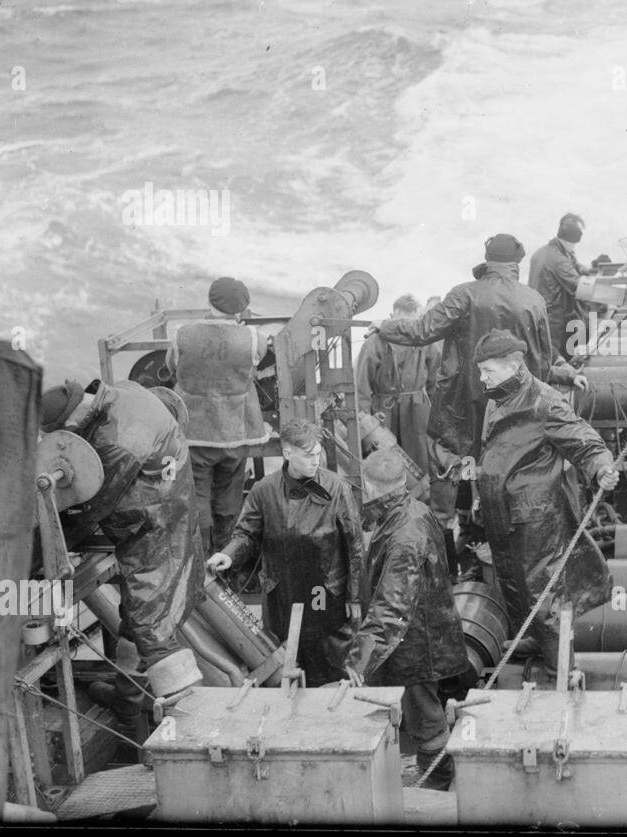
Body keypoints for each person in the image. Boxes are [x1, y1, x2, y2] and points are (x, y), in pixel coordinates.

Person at [42, 378, 204, 731]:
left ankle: (194, 730)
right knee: (133, 618)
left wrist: (46, 541)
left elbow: (91, 509)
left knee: (152, 630)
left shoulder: (115, 445)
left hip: (153, 529)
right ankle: (128, 702)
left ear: (71, 423)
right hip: (172, 507)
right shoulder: (122, 391)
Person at [375, 234, 584, 470]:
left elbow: (423, 330)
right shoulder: (533, 300)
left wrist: (385, 325)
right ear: (515, 264)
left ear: (488, 261)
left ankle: (459, 504)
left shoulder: (464, 294)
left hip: (466, 400)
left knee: (453, 461)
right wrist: (566, 374)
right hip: (517, 402)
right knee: (511, 461)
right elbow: (544, 359)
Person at [473, 330, 620, 662]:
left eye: (488, 370)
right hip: (503, 512)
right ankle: (538, 640)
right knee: (514, 584)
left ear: (513, 364)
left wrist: (601, 468)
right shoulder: (497, 396)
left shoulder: (544, 399)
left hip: (536, 517)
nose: (482, 378)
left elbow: (585, 439)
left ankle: (560, 664)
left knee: (542, 591)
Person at [343, 449, 467, 791]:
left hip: (415, 644)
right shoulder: (413, 511)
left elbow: (391, 606)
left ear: (369, 488)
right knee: (424, 713)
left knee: (426, 719)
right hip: (423, 634)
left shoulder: (404, 534)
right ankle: (433, 776)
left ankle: (437, 786)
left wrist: (358, 662)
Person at [208, 419, 364, 686]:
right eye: (308, 455)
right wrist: (229, 554)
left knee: (328, 664)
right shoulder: (264, 491)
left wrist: (355, 597)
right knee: (283, 662)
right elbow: (246, 533)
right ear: (288, 453)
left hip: (325, 595)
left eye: (318, 454)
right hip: (281, 594)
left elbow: (355, 547)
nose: (316, 461)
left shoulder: (337, 488)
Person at [167, 276, 269, 555]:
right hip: (235, 433)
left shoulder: (182, 334)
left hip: (194, 432)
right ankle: (225, 558)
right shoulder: (253, 339)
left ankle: (200, 560)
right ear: (241, 308)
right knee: (229, 497)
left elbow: (172, 366)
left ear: (209, 301)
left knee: (197, 494)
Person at [355, 294, 439, 478]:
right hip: (387, 413)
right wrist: (364, 423)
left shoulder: (424, 342)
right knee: (385, 459)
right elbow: (362, 387)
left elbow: (435, 381)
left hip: (413, 411)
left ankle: (416, 501)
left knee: (417, 461)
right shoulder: (375, 343)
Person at [529, 213, 598, 359]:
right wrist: (613, 294)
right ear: (569, 241)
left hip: (538, 312)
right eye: (575, 243)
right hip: (552, 318)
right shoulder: (558, 258)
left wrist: (591, 271)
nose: (574, 248)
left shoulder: (549, 251)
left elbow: (574, 264)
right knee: (551, 356)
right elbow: (580, 287)